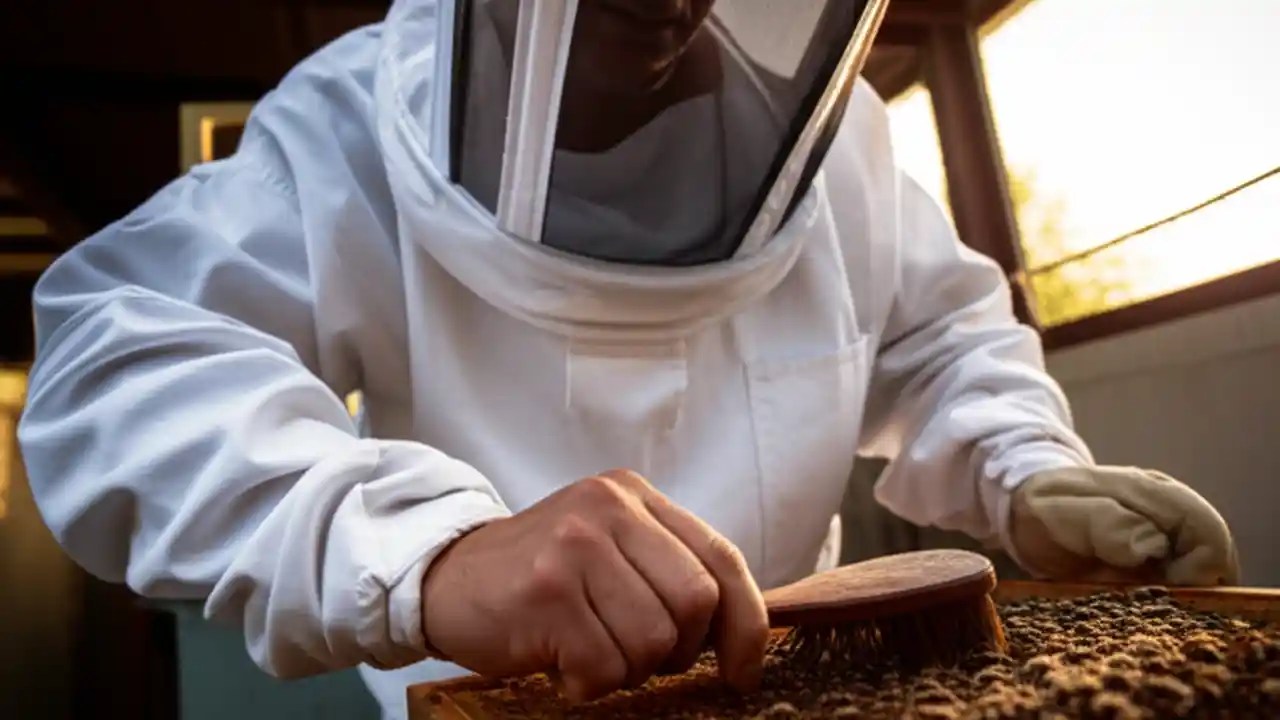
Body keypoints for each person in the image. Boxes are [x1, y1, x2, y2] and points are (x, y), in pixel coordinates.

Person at [17, 0, 1238, 718]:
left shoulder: (839, 141)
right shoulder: (353, 123)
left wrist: (1023, 466)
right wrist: (428, 551)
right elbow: (118, 353)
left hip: (805, 687)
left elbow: (933, 336)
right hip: (484, 691)